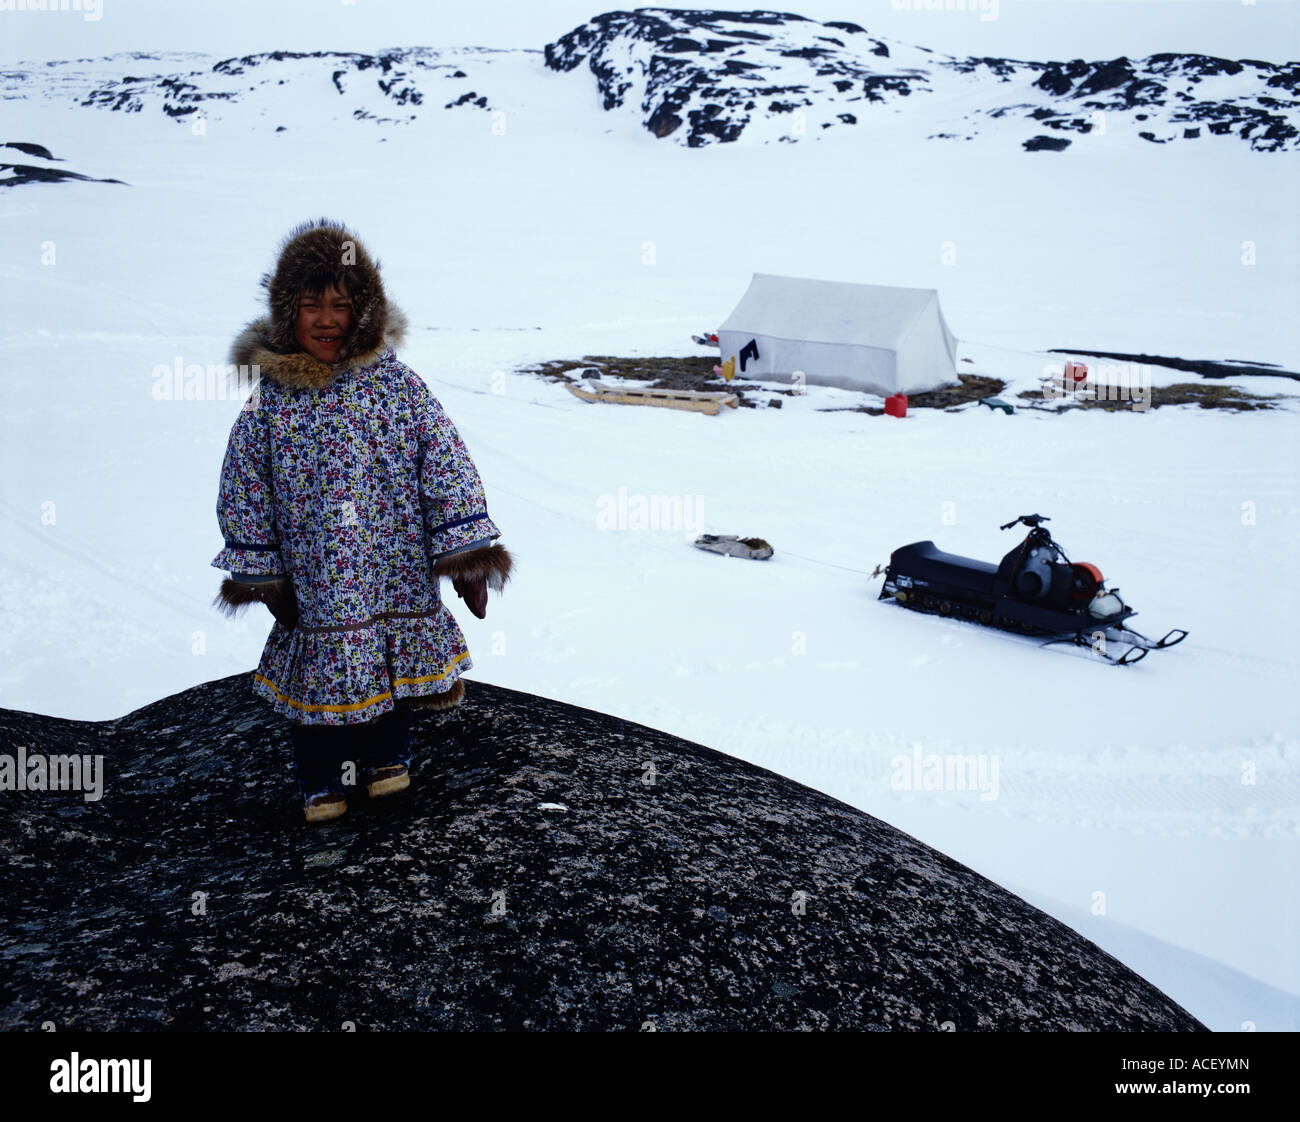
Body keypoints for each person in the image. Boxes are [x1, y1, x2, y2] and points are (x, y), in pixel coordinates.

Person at [210, 218, 513, 823]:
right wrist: (263, 577)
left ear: (365, 313)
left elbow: (444, 464)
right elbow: (245, 488)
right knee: (322, 677)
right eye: (309, 306)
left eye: (342, 306)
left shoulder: (397, 388)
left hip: (392, 571)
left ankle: (385, 760)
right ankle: (322, 779)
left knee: (390, 664)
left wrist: (467, 556)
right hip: (316, 582)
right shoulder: (270, 403)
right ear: (284, 314)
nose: (326, 320)